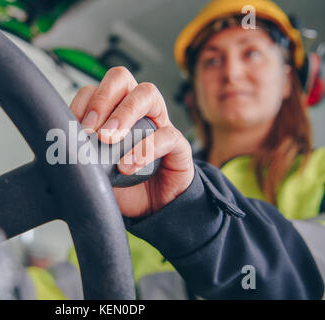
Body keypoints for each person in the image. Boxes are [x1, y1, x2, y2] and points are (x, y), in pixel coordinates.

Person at [26, 0, 325, 299]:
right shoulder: (137, 181)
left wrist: (190, 211)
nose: (231, 72)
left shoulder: (320, 174)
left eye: (252, 53)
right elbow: (70, 291)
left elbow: (311, 274)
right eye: (212, 60)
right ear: (195, 92)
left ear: (288, 80)